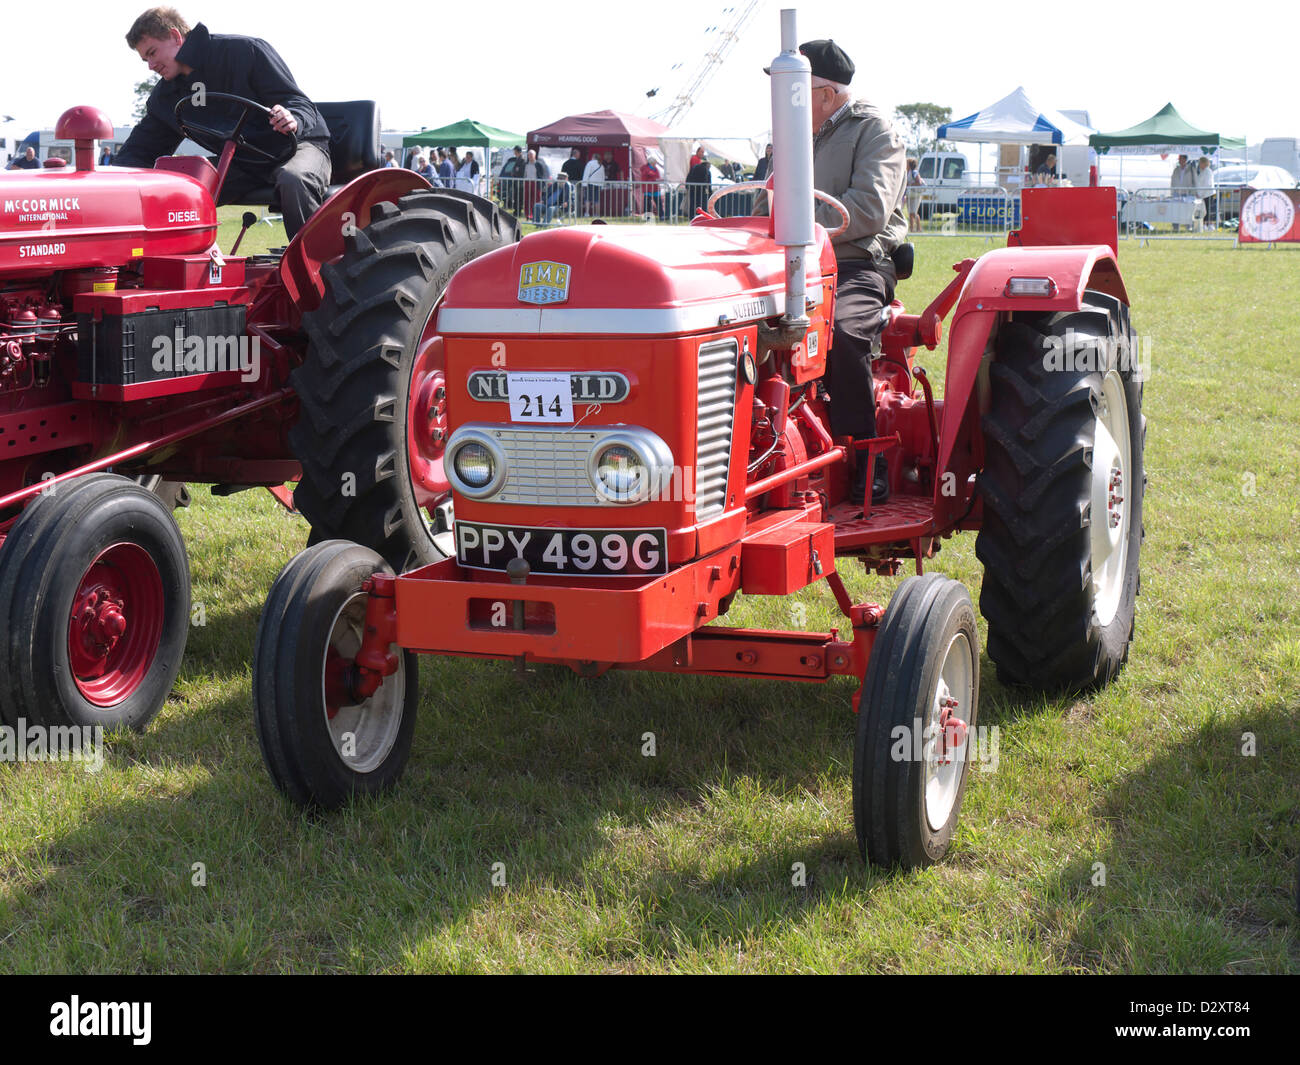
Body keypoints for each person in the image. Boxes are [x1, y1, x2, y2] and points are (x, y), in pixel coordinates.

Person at [757, 39, 907, 505]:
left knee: (838, 332)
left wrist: (796, 226)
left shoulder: (875, 130)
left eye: (794, 91)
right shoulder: (792, 135)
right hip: (788, 260)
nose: (785, 104)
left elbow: (868, 210)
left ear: (823, 92)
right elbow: (763, 197)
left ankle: (867, 459)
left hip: (856, 261)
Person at [114, 7, 331, 239]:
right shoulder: (167, 97)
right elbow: (141, 148)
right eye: (145, 59)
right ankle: (179, 268)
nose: (150, 65)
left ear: (176, 36)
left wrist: (292, 117)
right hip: (243, 161)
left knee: (293, 179)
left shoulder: (245, 52)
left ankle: (314, 267)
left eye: (153, 53)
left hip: (297, 148)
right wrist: (108, 178)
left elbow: (297, 101)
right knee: (180, 189)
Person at [500, 145, 525, 212]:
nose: (514, 152)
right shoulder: (517, 159)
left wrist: (515, 172)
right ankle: (516, 209)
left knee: (519, 197)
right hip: (515, 181)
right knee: (515, 196)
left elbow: (520, 171)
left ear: (517, 151)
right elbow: (515, 169)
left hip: (519, 182)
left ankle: (518, 210)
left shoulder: (522, 159)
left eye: (515, 151)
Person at [1193, 155, 1215, 229]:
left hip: (1207, 194)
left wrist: (1200, 194)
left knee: (1207, 210)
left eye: (1200, 163)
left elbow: (1206, 184)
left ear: (1203, 163)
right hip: (1203, 194)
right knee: (1205, 210)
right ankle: (1205, 224)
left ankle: (1208, 225)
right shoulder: (1203, 171)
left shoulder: (1207, 171)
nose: (1199, 165)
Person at [905, 156, 923, 230]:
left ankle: (919, 228)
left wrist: (910, 185)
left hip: (916, 195)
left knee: (914, 212)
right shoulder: (906, 173)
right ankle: (912, 228)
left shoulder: (914, 172)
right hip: (909, 195)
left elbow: (919, 182)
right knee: (910, 213)